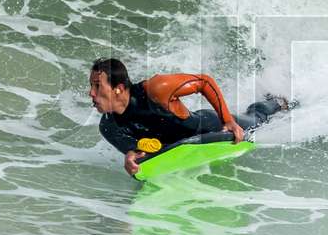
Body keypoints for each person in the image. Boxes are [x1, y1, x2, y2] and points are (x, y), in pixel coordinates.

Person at [88, 57, 289, 177]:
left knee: (256, 119)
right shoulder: (108, 127)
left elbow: (204, 82)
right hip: (178, 144)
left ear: (118, 89)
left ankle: (278, 102)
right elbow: (136, 150)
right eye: (91, 86)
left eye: (97, 86)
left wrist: (228, 121)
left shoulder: (155, 89)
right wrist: (132, 156)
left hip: (209, 126)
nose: (91, 93)